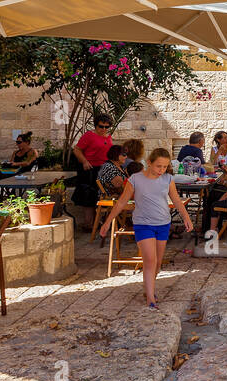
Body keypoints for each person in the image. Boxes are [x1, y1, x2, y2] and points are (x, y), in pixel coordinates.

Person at [99, 148, 192, 309]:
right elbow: (121, 202)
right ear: (149, 163)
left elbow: (176, 200)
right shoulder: (135, 179)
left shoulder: (167, 179)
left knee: (157, 263)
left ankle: (149, 289)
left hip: (163, 224)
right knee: (150, 260)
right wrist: (108, 222)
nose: (161, 170)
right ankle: (150, 298)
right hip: (143, 224)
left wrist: (186, 217)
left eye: (164, 167)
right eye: (158, 166)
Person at [71, 113, 114, 231]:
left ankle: (97, 222)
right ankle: (88, 224)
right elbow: (77, 150)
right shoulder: (89, 135)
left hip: (103, 170)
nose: (104, 129)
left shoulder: (108, 137)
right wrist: (84, 161)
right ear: (96, 125)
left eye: (106, 127)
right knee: (88, 198)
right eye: (101, 126)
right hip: (90, 169)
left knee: (99, 197)